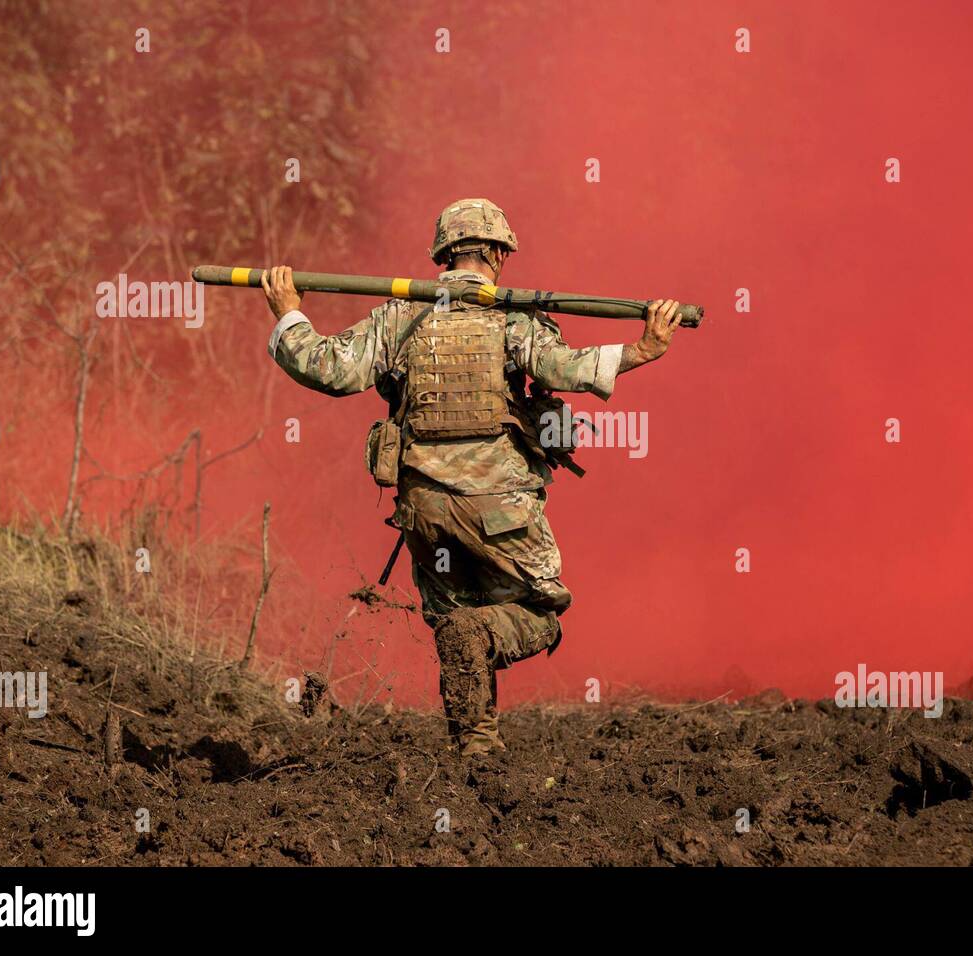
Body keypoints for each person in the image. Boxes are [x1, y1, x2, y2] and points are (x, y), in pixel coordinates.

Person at [262, 198, 682, 755]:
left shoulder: (398, 317)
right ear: (497, 254)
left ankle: (476, 749)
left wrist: (289, 311)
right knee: (537, 611)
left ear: (445, 254)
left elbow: (329, 369)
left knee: (453, 623)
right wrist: (645, 348)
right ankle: (481, 654)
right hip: (501, 507)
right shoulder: (513, 318)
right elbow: (569, 370)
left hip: (424, 509)